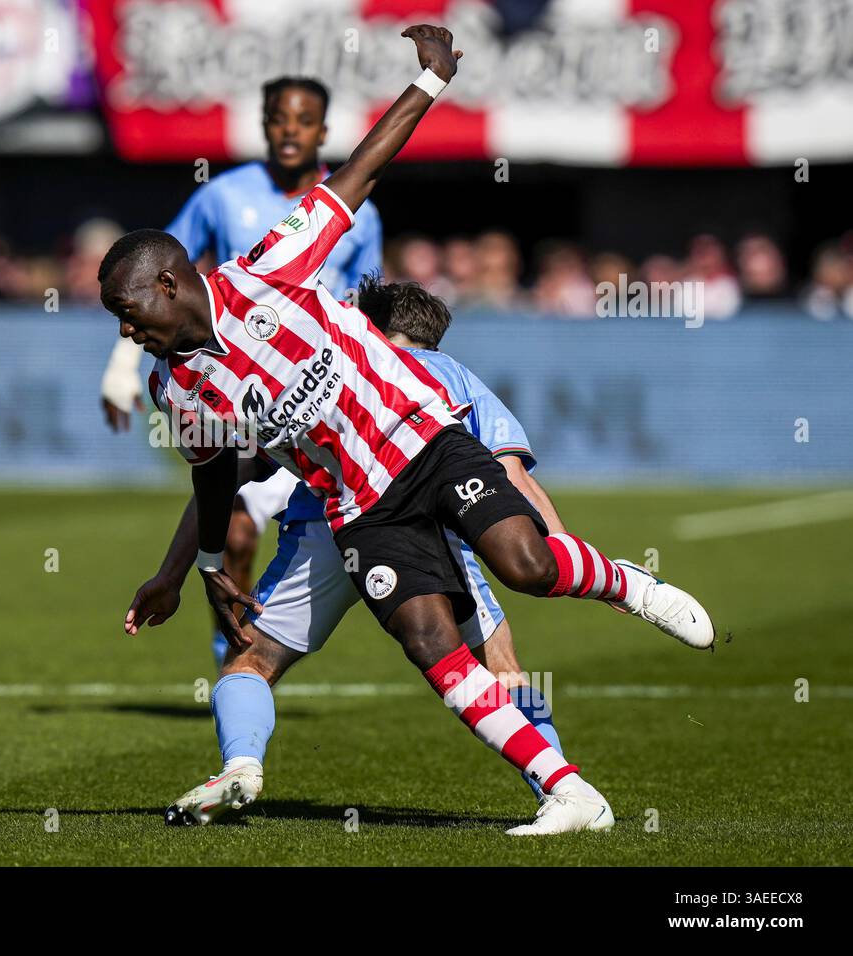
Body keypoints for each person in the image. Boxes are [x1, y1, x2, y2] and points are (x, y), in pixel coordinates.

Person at [101, 24, 715, 836]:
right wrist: (204, 565)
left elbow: (358, 175)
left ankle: (634, 586)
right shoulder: (176, 385)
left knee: (525, 564)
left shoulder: (268, 268)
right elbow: (213, 477)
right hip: (360, 510)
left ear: (170, 282)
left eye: (129, 309)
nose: (127, 327)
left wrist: (430, 82)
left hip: (423, 443)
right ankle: (572, 794)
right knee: (431, 645)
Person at [129, 276, 595, 831]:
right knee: (500, 669)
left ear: (366, 323)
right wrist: (562, 554)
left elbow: (221, 477)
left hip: (327, 528)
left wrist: (171, 574)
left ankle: (241, 764)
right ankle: (560, 788)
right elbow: (512, 475)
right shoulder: (451, 375)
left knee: (252, 662)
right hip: (421, 524)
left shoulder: (309, 356)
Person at [100, 75, 384, 669]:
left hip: (331, 389)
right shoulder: (223, 195)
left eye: (303, 120)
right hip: (247, 396)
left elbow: (367, 302)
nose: (289, 130)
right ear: (263, 123)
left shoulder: (360, 213)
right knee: (231, 527)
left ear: (323, 131)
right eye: (278, 117)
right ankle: (233, 647)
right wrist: (123, 365)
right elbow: (147, 279)